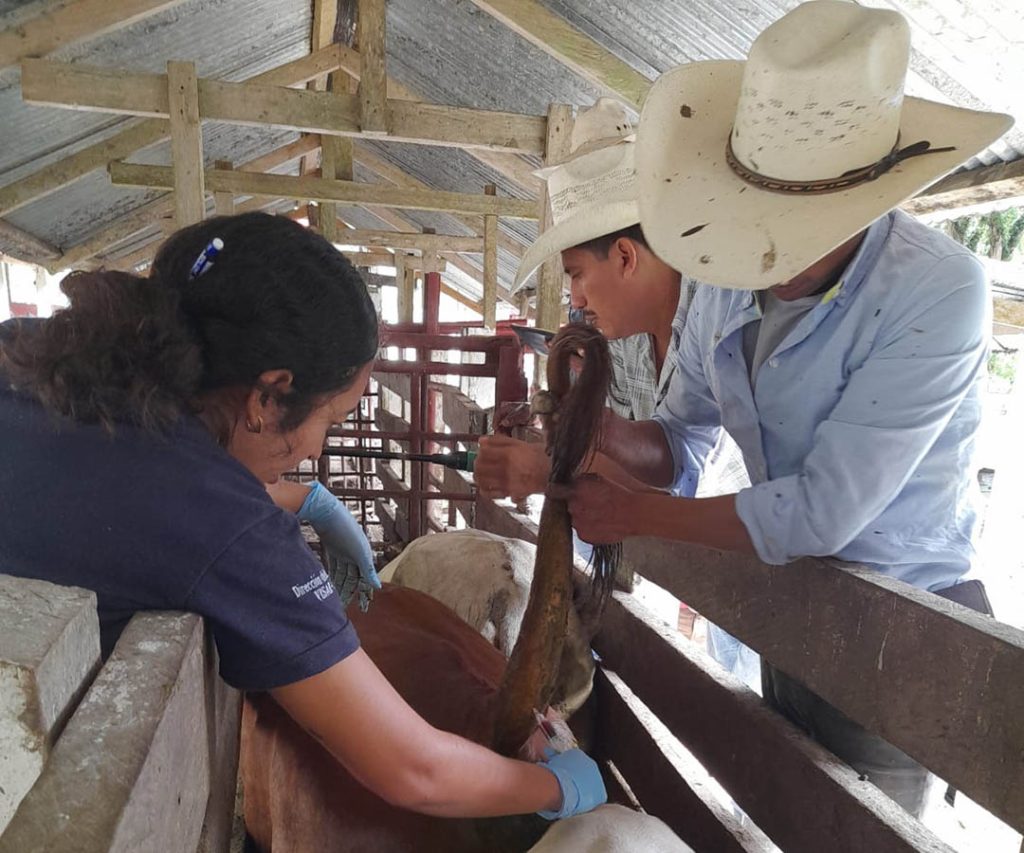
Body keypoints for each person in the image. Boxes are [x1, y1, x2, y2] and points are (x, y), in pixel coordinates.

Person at [482, 0, 1013, 818]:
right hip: (789, 606)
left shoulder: (936, 291)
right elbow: (680, 437)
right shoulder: (729, 267)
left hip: (900, 631)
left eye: (806, 223)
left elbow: (824, 512)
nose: (774, 246)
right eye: (764, 212)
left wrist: (638, 514)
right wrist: (588, 432)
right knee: (786, 802)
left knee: (864, 826)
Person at [0, 212, 605, 822]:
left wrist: (308, 501)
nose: (316, 448)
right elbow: (413, 769)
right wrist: (558, 790)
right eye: (331, 418)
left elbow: (146, 496)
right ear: (268, 396)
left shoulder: (34, 358)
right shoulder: (230, 528)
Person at [480, 98, 759, 687]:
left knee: (736, 678)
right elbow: (656, 454)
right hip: (693, 556)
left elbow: (685, 477)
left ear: (626, 256)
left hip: (753, 556)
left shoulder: (726, 311)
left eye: (577, 274)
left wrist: (547, 469)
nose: (575, 298)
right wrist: (567, 434)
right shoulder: (623, 337)